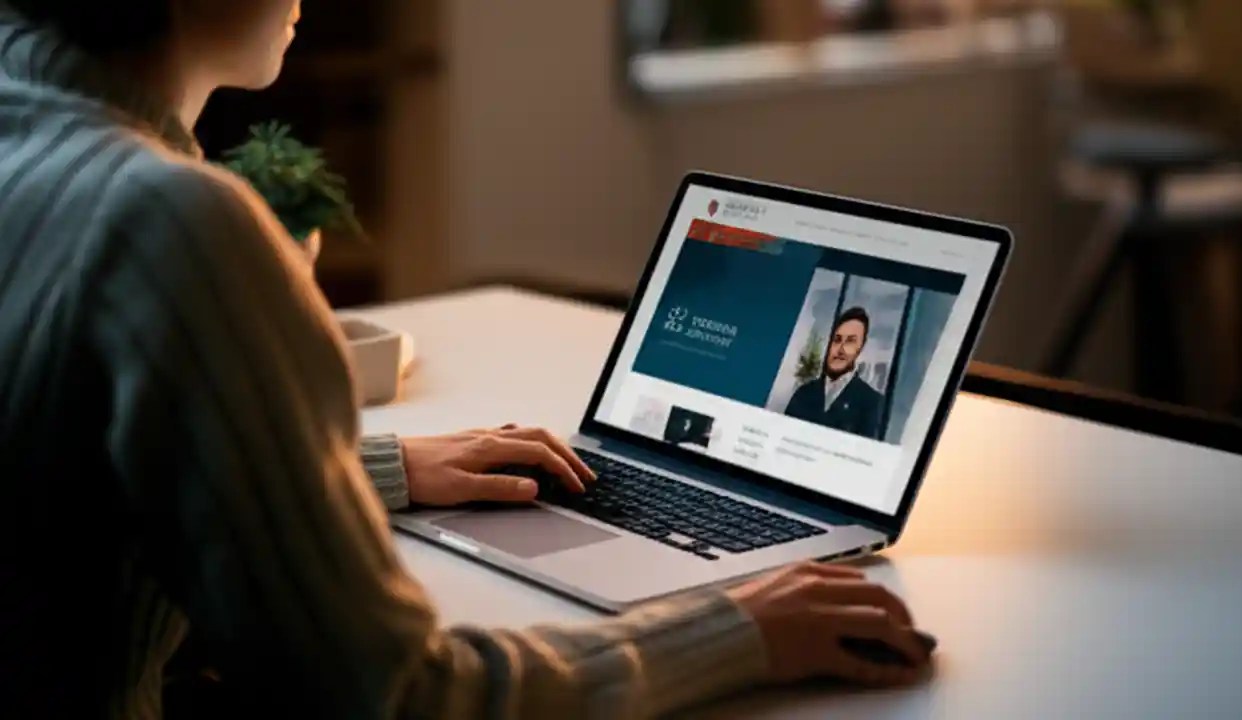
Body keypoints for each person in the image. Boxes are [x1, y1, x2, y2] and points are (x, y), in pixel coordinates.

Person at [0, 1, 931, 716]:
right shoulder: (167, 223)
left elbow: (70, 471)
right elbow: (400, 695)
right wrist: (738, 628)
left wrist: (374, 470)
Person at [785, 307, 886, 440]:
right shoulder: (803, 393)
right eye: (837, 340)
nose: (841, 349)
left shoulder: (873, 403)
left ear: (861, 347)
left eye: (850, 341)